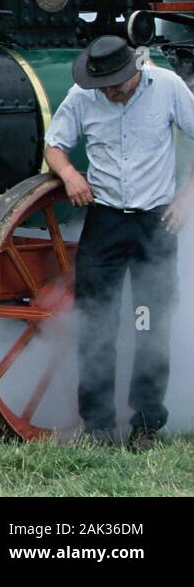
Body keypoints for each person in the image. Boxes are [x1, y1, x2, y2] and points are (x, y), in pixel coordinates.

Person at [45, 34, 194, 451]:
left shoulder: (167, 87)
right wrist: (70, 175)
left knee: (152, 324)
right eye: (103, 85)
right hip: (106, 220)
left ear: (134, 73)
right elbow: (54, 146)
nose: (109, 92)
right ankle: (98, 427)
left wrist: (186, 199)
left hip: (155, 223)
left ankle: (146, 424)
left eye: (116, 84)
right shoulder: (82, 96)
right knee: (96, 325)